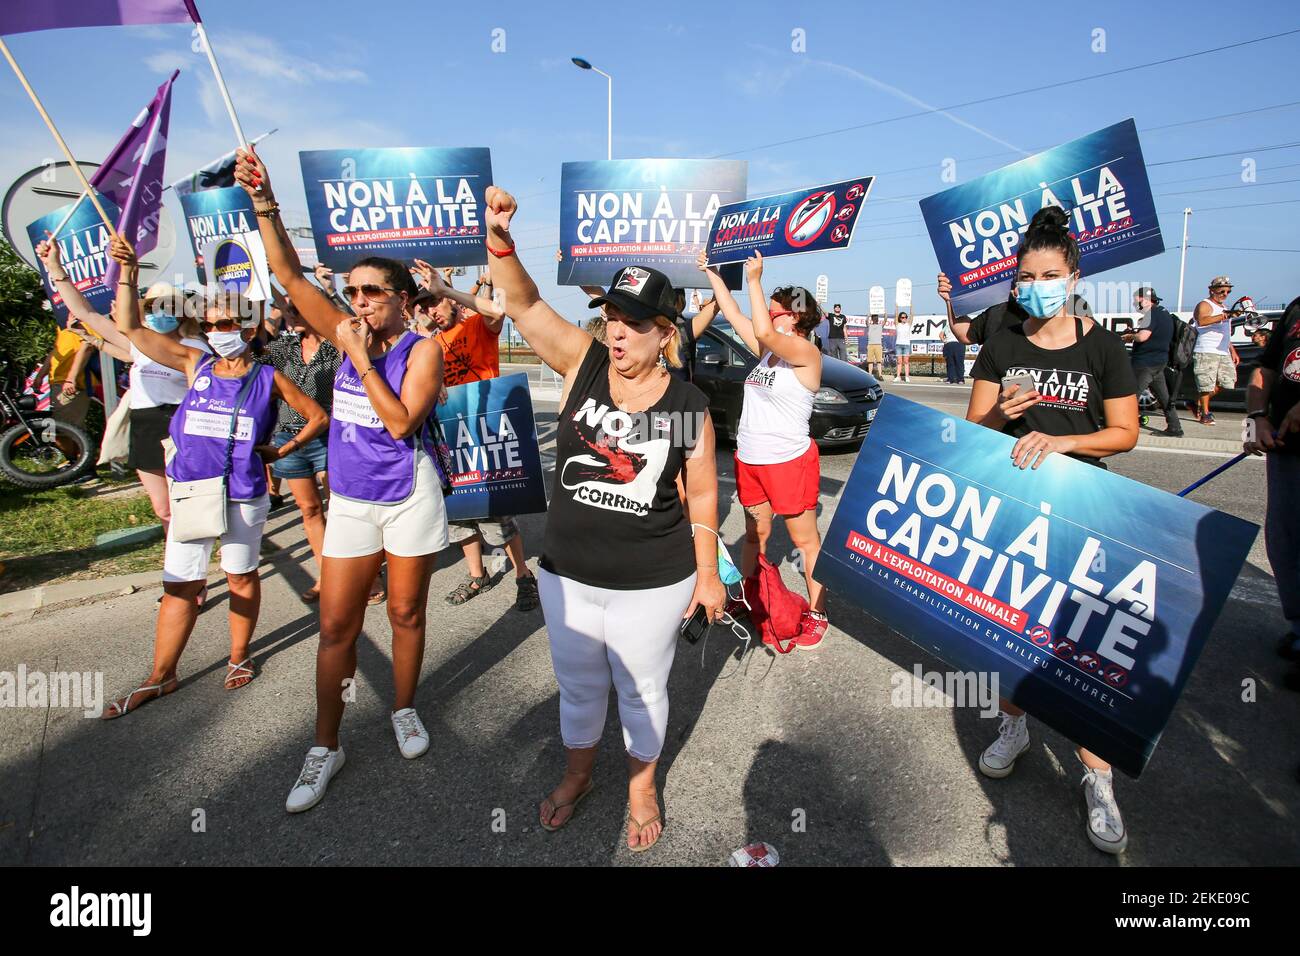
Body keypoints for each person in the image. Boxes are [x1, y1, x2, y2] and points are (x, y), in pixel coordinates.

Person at [494, 188, 724, 852]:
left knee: (643, 689)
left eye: (634, 321)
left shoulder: (687, 402)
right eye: (611, 315)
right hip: (568, 574)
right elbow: (527, 304)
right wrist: (500, 241)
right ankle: (578, 774)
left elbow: (703, 496)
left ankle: (642, 785)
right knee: (578, 686)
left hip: (653, 582)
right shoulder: (583, 365)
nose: (617, 331)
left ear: (665, 332)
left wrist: (708, 579)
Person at [235, 145, 450, 813]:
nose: (356, 302)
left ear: (402, 300)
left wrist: (357, 354)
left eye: (370, 293)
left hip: (410, 495)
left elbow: (400, 426)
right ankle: (325, 745)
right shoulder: (341, 327)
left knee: (407, 611)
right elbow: (287, 271)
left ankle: (405, 708)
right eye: (350, 292)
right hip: (353, 501)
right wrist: (263, 202)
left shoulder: (423, 350)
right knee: (336, 627)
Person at [964, 206, 1139, 854]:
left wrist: (1065, 444)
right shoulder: (1003, 345)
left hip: (1084, 509)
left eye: (1050, 273)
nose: (1037, 284)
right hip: (1014, 510)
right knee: (1013, 631)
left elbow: (1125, 432)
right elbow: (973, 433)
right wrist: (1000, 416)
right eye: (1026, 276)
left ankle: (1097, 777)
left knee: (1084, 642)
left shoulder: (1103, 346)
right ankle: (1014, 728)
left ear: (1073, 275)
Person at [100, 235, 328, 718]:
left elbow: (316, 416)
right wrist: (128, 274)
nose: (214, 331)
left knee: (241, 576)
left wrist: (280, 449)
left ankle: (239, 656)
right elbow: (130, 327)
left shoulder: (268, 377)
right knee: (180, 584)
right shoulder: (194, 362)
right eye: (208, 325)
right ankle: (161, 675)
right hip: (193, 492)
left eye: (224, 324)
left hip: (244, 493)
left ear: (246, 330)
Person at [36, 236, 211, 530]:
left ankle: (199, 559)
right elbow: (87, 313)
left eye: (168, 306)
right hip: (144, 422)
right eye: (154, 307)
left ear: (182, 311)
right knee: (163, 509)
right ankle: (181, 567)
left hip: (181, 422)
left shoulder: (195, 346)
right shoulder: (140, 341)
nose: (160, 313)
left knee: (189, 501)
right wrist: (55, 268)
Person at [702, 250, 830, 648]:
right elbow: (734, 312)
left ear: (795, 317)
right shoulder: (768, 352)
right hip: (750, 459)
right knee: (755, 535)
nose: (768, 317)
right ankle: (746, 596)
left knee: (805, 542)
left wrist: (755, 280)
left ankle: (818, 612)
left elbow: (763, 331)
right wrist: (713, 275)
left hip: (787, 462)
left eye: (776, 312)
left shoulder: (807, 354)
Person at [409, 260, 540, 613]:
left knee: (498, 515)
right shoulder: (430, 344)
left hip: (488, 430)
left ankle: (523, 576)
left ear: (450, 300)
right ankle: (476, 575)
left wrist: (445, 289)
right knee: (459, 512)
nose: (432, 310)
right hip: (451, 434)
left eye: (435, 302)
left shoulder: (477, 328)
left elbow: (497, 310)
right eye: (425, 306)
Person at [261, 298, 341, 602]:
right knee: (309, 509)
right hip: (289, 437)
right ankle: (326, 577)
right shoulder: (283, 349)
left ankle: (364, 573)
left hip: (329, 435)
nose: (288, 316)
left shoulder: (334, 348)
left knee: (342, 510)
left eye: (294, 310)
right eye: (286, 311)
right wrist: (268, 315)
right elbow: (255, 359)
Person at [1242, 295, 1300, 687]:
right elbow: (1265, 369)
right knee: (1285, 539)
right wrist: (1257, 418)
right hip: (1286, 447)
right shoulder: (1296, 308)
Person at [939, 270, 1093, 346]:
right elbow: (965, 334)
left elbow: (1093, 342)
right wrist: (951, 299)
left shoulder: (1073, 304)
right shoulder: (1000, 307)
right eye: (1025, 276)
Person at [1122, 286, 1183, 437]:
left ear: (1144, 300)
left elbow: (1143, 337)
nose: (1135, 304)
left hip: (1145, 363)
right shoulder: (1164, 313)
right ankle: (1175, 427)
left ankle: (1122, 429)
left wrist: (1130, 336)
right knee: (1164, 397)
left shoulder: (1150, 314)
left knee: (1129, 396)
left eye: (1136, 301)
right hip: (1159, 362)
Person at [1191, 276, 1241, 426]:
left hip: (1222, 350)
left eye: (1228, 291)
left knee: (1228, 381)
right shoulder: (1204, 304)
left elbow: (1225, 332)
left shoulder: (1223, 307)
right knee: (1206, 383)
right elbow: (1202, 321)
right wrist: (1225, 315)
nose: (1225, 294)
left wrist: (1232, 350)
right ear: (1212, 290)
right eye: (1222, 290)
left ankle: (1197, 402)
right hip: (1206, 349)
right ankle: (1205, 413)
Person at [894, 311, 913, 381]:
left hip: (906, 345)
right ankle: (898, 376)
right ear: (900, 318)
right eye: (902, 317)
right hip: (898, 344)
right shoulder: (897, 325)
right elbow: (895, 315)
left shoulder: (908, 325)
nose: (904, 318)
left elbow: (912, 315)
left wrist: (911, 305)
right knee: (899, 362)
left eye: (905, 317)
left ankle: (907, 376)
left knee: (906, 361)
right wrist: (896, 307)